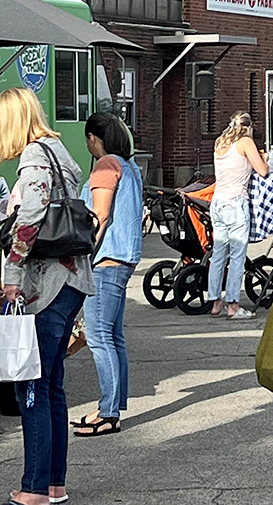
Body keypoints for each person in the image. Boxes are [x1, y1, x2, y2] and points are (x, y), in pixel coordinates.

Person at [0, 88, 95, 505]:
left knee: (32, 387)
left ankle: (34, 488)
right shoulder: (59, 151)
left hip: (49, 284)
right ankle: (54, 484)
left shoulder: (35, 156)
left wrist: (11, 271)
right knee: (52, 385)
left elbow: (32, 216)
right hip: (73, 280)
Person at [71, 113, 143, 437]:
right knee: (113, 336)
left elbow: (98, 216)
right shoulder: (130, 166)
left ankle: (108, 412)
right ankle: (113, 406)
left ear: (93, 138)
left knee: (100, 337)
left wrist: (82, 255)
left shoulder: (105, 165)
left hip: (106, 260)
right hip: (124, 258)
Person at [207, 111, 267, 319]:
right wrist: (264, 159)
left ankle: (215, 301)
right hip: (235, 202)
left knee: (218, 255)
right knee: (237, 257)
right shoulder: (245, 142)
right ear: (248, 127)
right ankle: (233, 305)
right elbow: (263, 171)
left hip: (218, 202)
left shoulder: (220, 142)